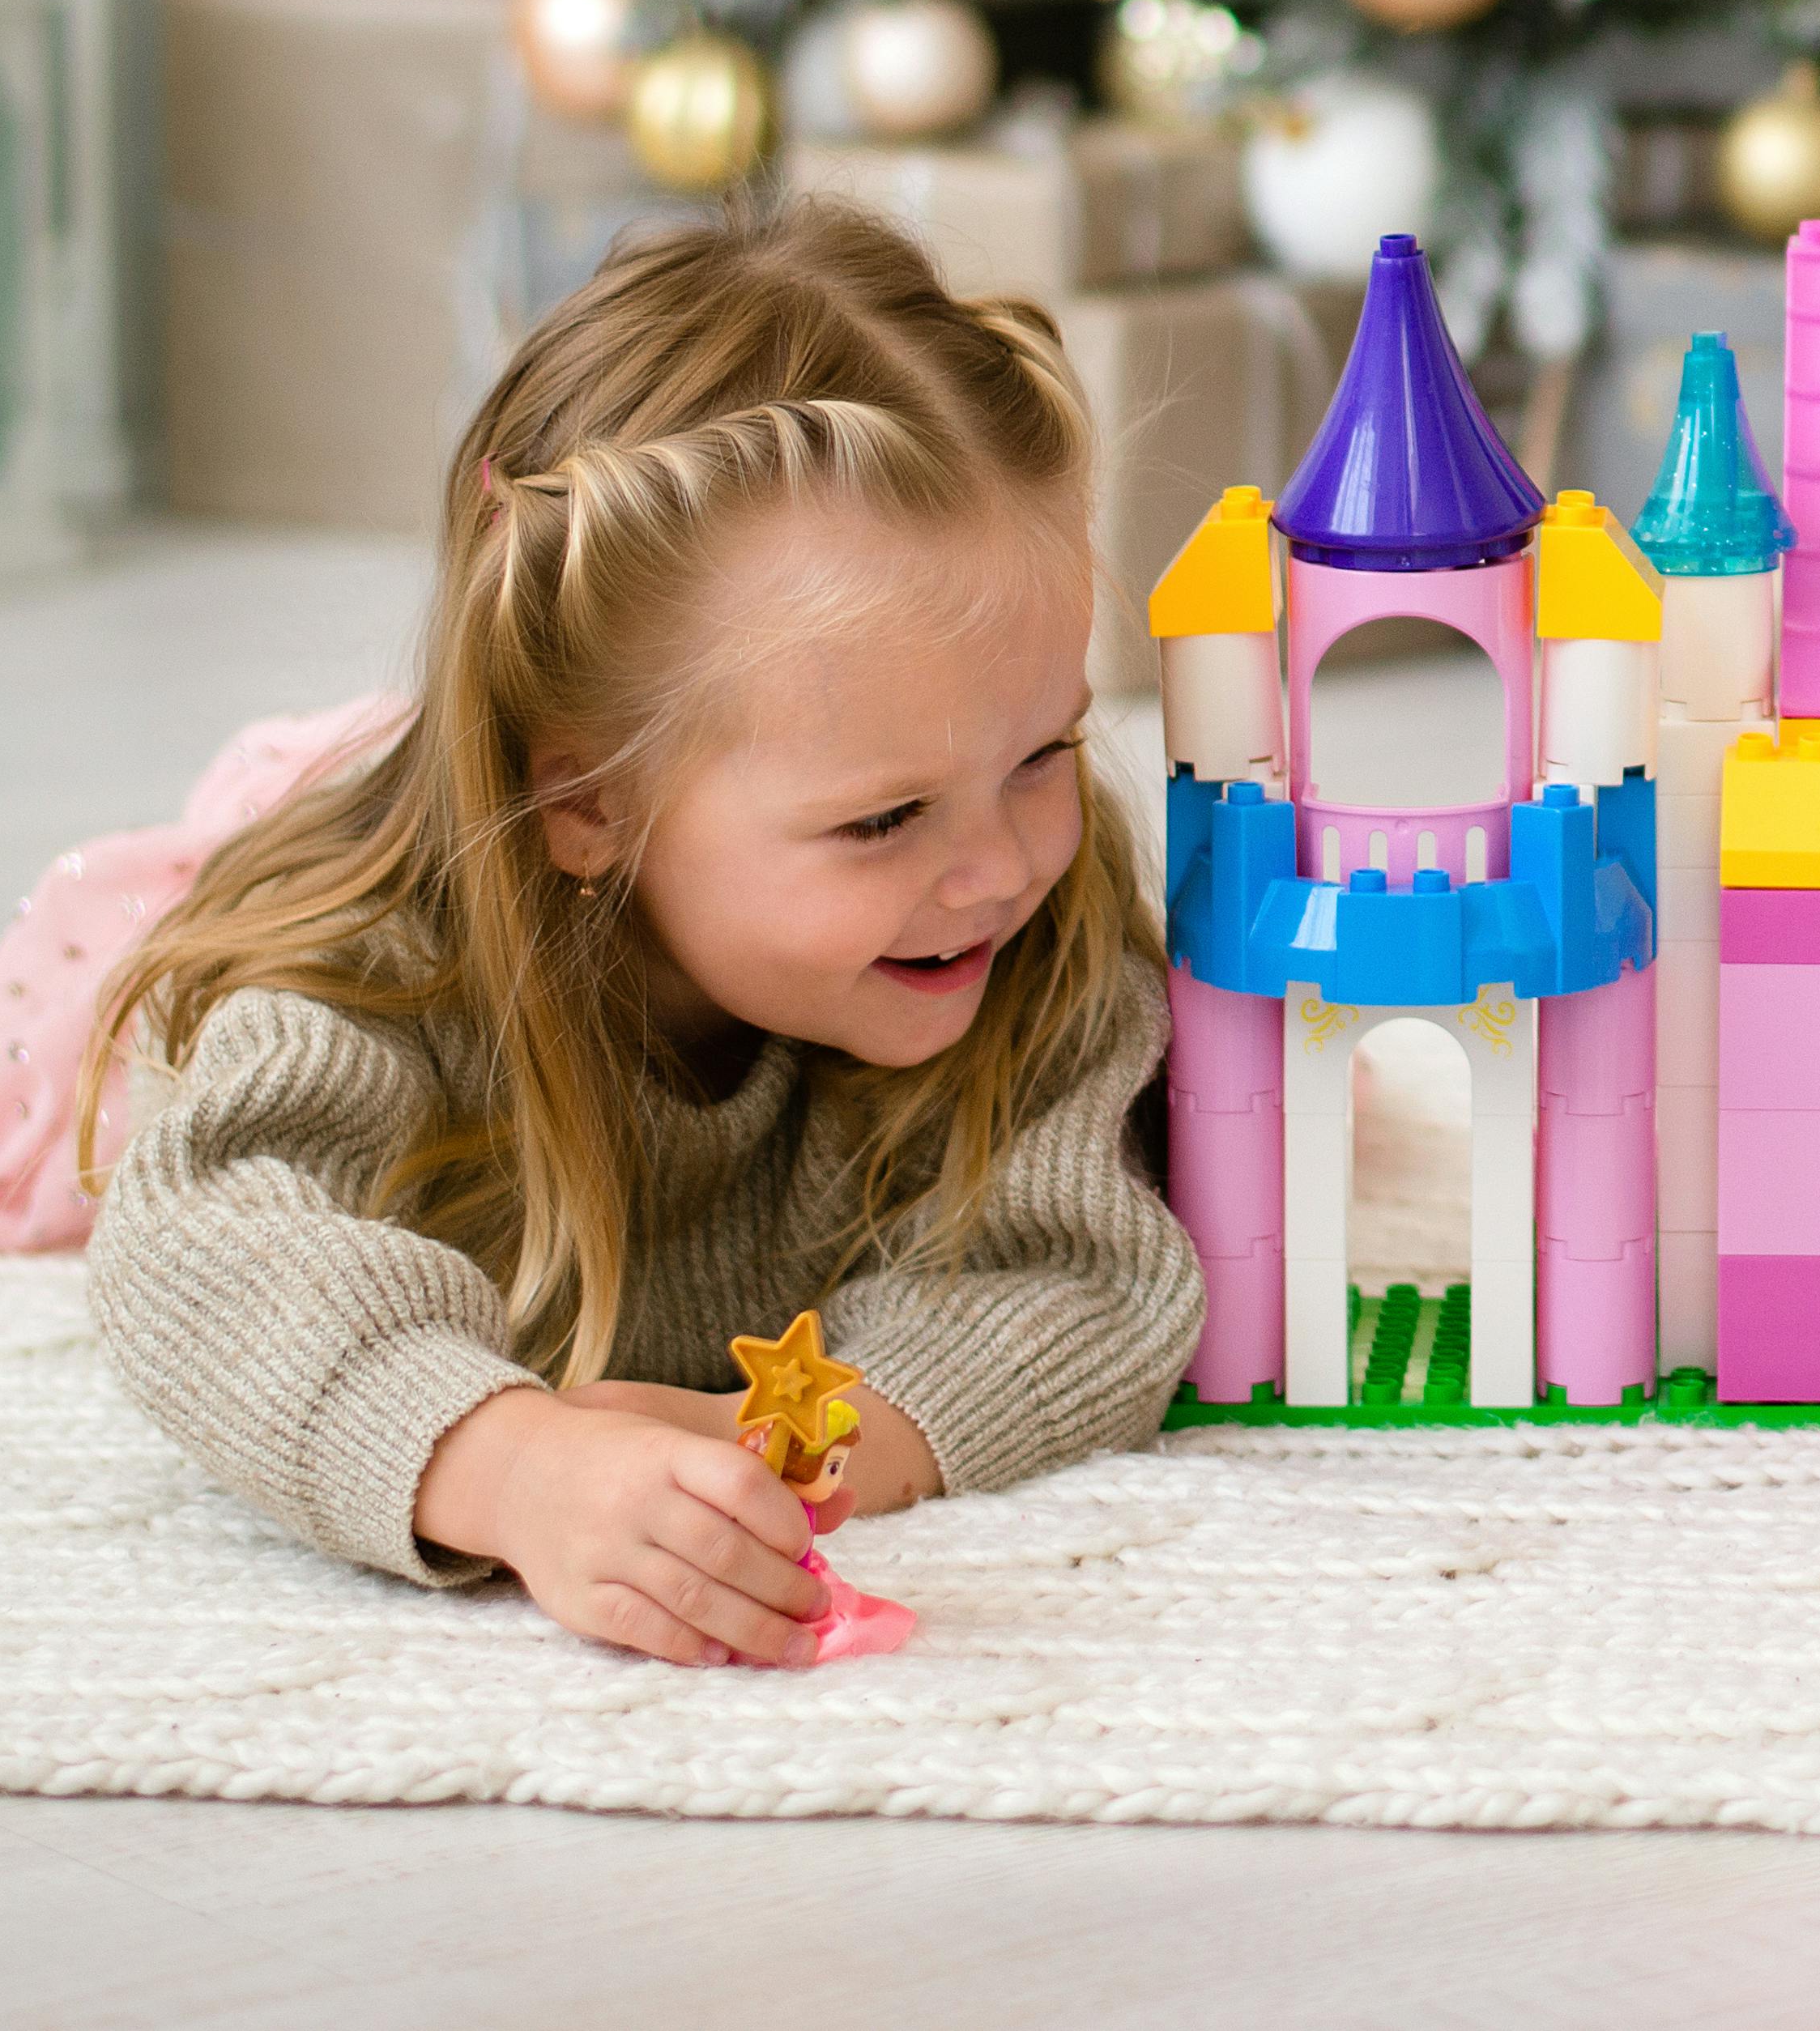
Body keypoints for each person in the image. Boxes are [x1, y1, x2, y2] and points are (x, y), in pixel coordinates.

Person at [70, 204, 1200, 1669]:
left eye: (1046, 749)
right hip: (332, 872)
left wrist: (824, 1431)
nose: (1000, 866)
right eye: (883, 818)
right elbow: (194, 1250)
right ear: (588, 804)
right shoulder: (385, 979)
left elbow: (1093, 1277)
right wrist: (507, 1463)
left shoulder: (1037, 923)